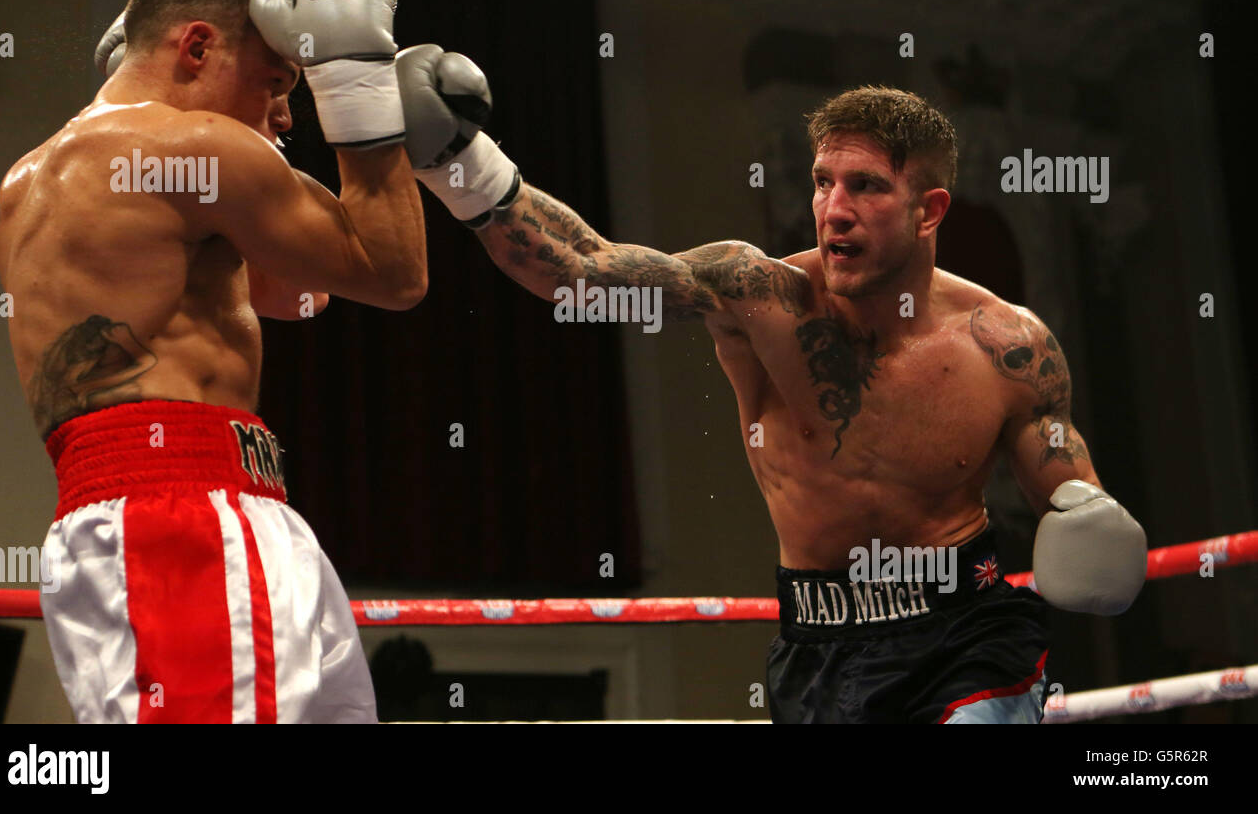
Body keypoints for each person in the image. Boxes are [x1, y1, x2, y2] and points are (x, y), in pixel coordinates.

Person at [401, 63, 1147, 722]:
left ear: (931, 210)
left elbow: (1069, 490)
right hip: (817, 648)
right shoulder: (758, 294)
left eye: (867, 187)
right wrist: (459, 161)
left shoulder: (1008, 346)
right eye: (824, 181)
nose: (834, 209)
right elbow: (585, 272)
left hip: (966, 637)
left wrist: (1091, 511)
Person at [0, 0, 462, 723]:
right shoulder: (190, 149)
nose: (284, 114)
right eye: (277, 82)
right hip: (188, 524)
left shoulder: (30, 180)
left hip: (140, 518)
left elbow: (295, 293)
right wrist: (355, 78)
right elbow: (393, 272)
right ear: (198, 47)